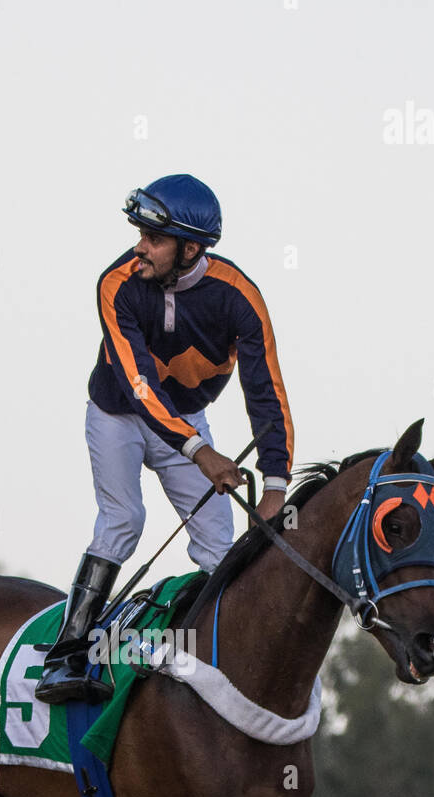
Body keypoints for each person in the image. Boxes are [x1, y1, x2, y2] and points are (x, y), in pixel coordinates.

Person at [36, 173, 296, 704]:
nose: (139, 248)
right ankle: (67, 655)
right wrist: (201, 452)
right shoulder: (116, 283)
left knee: (219, 544)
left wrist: (275, 488)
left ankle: (218, 656)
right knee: (124, 520)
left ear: (190, 247)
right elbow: (139, 388)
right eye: (139, 235)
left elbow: (267, 394)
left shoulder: (240, 298)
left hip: (188, 422)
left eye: (153, 239)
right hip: (118, 414)